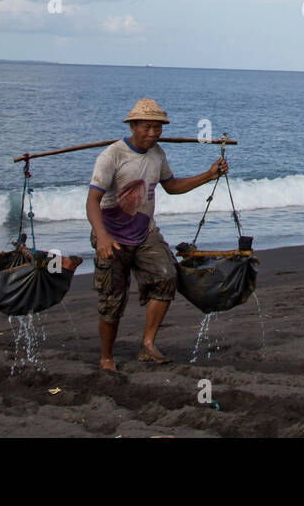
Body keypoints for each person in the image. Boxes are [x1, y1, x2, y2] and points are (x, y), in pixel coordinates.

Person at [86, 97, 227, 369]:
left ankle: (148, 345)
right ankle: (106, 357)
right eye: (147, 128)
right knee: (112, 299)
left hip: (144, 233)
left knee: (166, 276)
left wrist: (209, 176)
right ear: (133, 126)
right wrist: (102, 237)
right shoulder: (111, 156)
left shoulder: (157, 153)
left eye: (157, 128)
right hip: (111, 235)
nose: (152, 134)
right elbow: (92, 201)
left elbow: (171, 186)